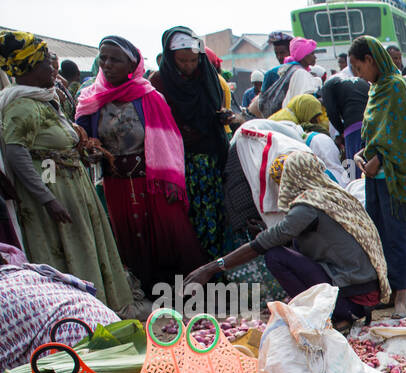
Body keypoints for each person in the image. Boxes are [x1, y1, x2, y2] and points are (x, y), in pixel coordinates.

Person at [0, 31, 130, 312]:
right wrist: (48, 198)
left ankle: (98, 308)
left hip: (69, 187)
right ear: (31, 68)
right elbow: (16, 153)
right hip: (52, 193)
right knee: (68, 251)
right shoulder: (21, 107)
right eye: (47, 63)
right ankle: (76, 312)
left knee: (84, 246)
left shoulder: (44, 99)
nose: (53, 68)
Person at [186, 151, 387, 332]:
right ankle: (338, 313)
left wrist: (210, 268)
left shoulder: (307, 207)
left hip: (352, 299)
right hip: (365, 293)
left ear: (293, 178)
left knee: (274, 256)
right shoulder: (332, 194)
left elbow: (261, 245)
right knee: (290, 247)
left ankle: (332, 315)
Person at [75, 35, 207, 290]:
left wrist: (170, 180)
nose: (107, 64)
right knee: (128, 237)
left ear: (131, 63)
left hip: (152, 181)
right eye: (103, 58)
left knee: (167, 237)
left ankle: (184, 291)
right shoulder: (91, 99)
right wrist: (89, 149)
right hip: (116, 183)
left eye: (115, 59)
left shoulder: (149, 97)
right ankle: (143, 291)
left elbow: (170, 142)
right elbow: (81, 137)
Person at [349, 36, 406, 318]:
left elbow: (401, 134)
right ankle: (390, 290)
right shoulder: (376, 89)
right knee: (380, 235)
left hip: (398, 174)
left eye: (359, 68)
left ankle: (401, 295)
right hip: (375, 178)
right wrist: (363, 156)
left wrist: (379, 159)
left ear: (370, 61)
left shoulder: (396, 87)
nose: (358, 75)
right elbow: (374, 133)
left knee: (399, 233)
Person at [152, 26, 234, 257]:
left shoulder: (208, 77)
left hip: (211, 157)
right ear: (170, 57)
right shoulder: (160, 83)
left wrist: (222, 116)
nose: (188, 66)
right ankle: (194, 266)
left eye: (193, 60)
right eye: (182, 61)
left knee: (216, 214)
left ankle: (218, 265)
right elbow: (158, 126)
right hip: (178, 162)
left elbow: (216, 108)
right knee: (188, 218)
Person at [257, 37, 321, 117]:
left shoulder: (296, 70)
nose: (279, 57)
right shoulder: (299, 73)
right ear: (302, 55)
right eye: (312, 54)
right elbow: (306, 101)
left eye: (282, 53)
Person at [320, 73, 369, 178]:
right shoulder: (361, 81)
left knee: (355, 167)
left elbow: (331, 113)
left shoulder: (327, 86)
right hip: (373, 123)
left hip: (353, 128)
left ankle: (356, 190)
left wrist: (341, 131)